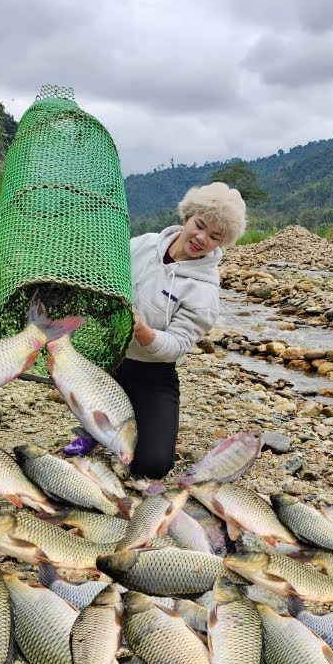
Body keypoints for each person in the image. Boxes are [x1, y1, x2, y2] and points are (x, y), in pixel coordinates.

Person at [63, 182, 247, 479]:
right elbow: (105, 273)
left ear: (221, 243)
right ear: (187, 217)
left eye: (214, 236)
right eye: (199, 225)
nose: (202, 238)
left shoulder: (205, 291)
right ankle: (96, 427)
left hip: (153, 373)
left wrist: (142, 331)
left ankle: (122, 419)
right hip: (109, 357)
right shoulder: (144, 244)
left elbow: (177, 344)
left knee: (153, 465)